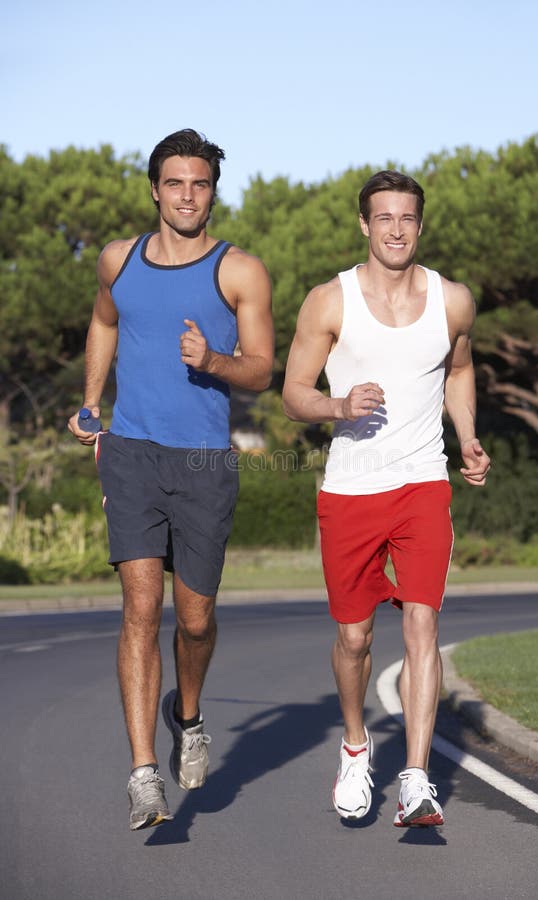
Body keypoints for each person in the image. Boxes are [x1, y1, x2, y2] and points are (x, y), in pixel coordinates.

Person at [68, 128, 274, 831]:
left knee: (194, 620)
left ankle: (187, 716)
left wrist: (213, 360)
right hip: (130, 452)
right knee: (138, 609)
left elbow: (263, 369)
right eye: (175, 182)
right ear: (155, 188)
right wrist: (92, 403)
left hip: (205, 463)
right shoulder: (117, 259)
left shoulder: (239, 270)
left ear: (213, 192)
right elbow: (104, 323)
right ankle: (143, 773)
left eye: (201, 183)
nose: (188, 195)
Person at [282, 170, 490, 827]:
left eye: (407, 218)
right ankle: (354, 747)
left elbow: (459, 369)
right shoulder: (329, 301)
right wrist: (339, 404)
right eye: (384, 218)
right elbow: (292, 392)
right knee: (353, 637)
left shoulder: (452, 301)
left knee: (423, 621)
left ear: (419, 226)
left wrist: (468, 435)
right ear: (364, 226)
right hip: (350, 487)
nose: (396, 228)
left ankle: (416, 778)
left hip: (423, 480)